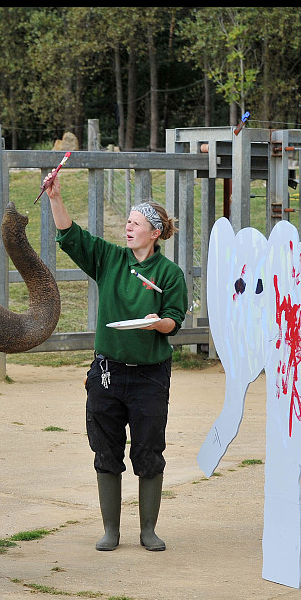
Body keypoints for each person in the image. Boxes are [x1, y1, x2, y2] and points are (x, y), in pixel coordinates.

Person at [43, 174, 187, 552]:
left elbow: (174, 319)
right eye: (127, 222)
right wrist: (55, 197)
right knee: (106, 449)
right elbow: (71, 236)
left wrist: (159, 323)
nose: (127, 228)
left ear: (154, 233)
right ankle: (111, 530)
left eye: (135, 223)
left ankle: (148, 530)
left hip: (150, 376)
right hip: (107, 372)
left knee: (149, 450)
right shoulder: (109, 259)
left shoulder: (169, 274)